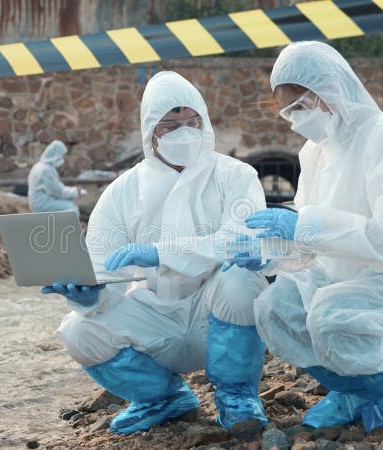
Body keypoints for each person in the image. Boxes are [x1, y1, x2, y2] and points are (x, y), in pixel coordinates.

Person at [231, 42, 383, 432]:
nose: (294, 118)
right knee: (276, 306)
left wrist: (303, 225)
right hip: (349, 272)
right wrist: (270, 254)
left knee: (330, 314)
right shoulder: (314, 154)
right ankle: (356, 386)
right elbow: (311, 241)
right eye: (287, 110)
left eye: (300, 106)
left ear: (329, 90)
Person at [42, 71, 270, 434]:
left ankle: (238, 394)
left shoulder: (235, 176)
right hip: (157, 316)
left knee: (241, 276)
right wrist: (88, 295)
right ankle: (163, 397)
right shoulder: (122, 192)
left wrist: (161, 253)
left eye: (192, 120)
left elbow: (241, 241)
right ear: (151, 130)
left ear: (205, 120)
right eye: (171, 123)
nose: (184, 130)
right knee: (77, 332)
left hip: (217, 312)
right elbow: (104, 271)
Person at [27, 140, 83, 214]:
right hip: (42, 204)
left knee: (68, 202)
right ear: (56, 155)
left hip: (37, 202)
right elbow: (56, 191)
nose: (62, 159)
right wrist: (75, 191)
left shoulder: (38, 166)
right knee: (72, 209)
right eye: (61, 156)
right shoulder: (46, 170)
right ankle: (67, 226)